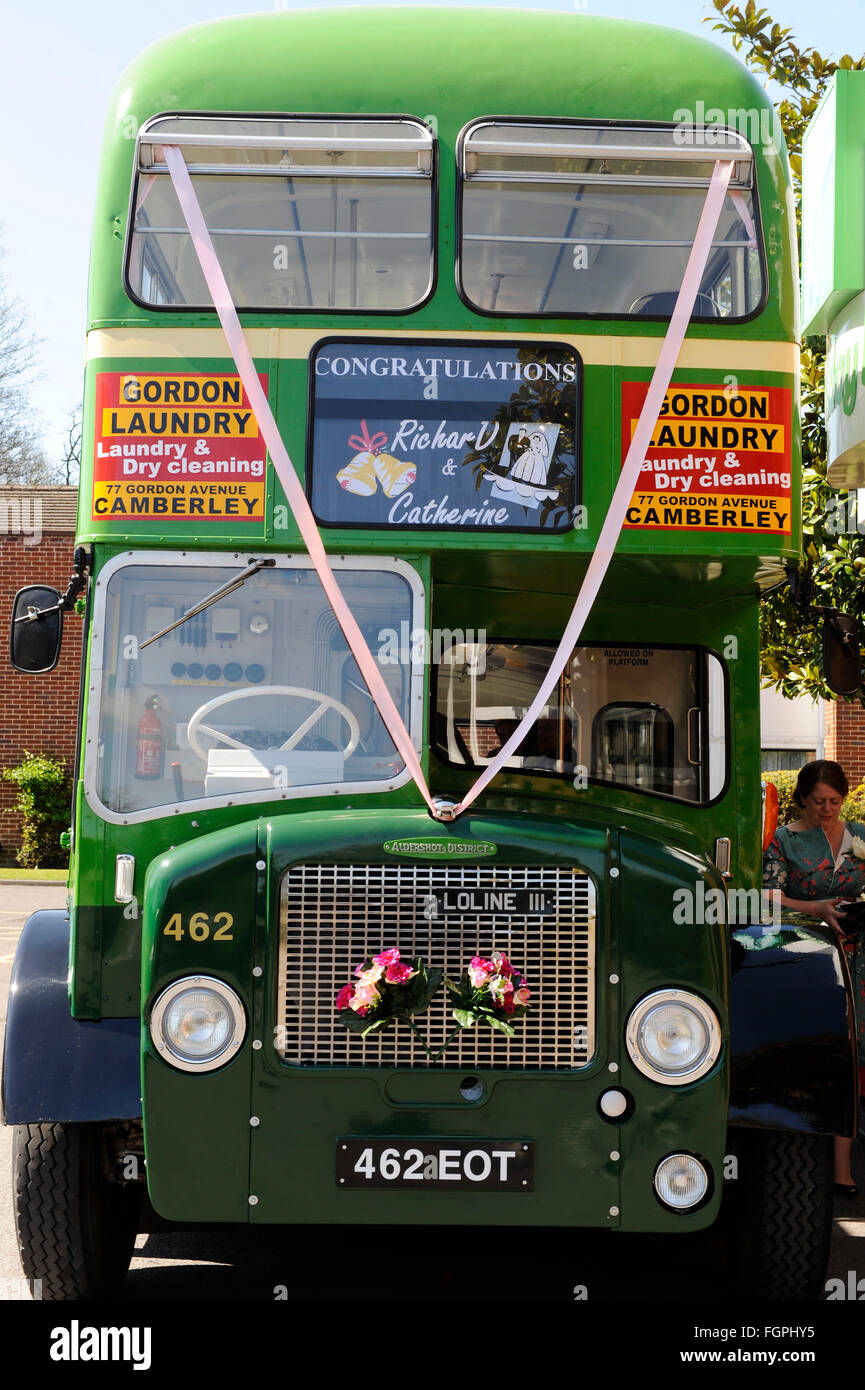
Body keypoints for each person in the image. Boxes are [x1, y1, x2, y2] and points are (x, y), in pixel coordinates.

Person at [762, 759, 865, 1197]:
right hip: (810, 955)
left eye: (835, 802)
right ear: (803, 798)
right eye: (819, 801)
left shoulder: (860, 834)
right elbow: (767, 895)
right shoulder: (785, 838)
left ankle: (843, 1168)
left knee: (854, 1051)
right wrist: (817, 909)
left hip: (860, 954)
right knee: (820, 1051)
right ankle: (801, 1163)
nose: (828, 809)